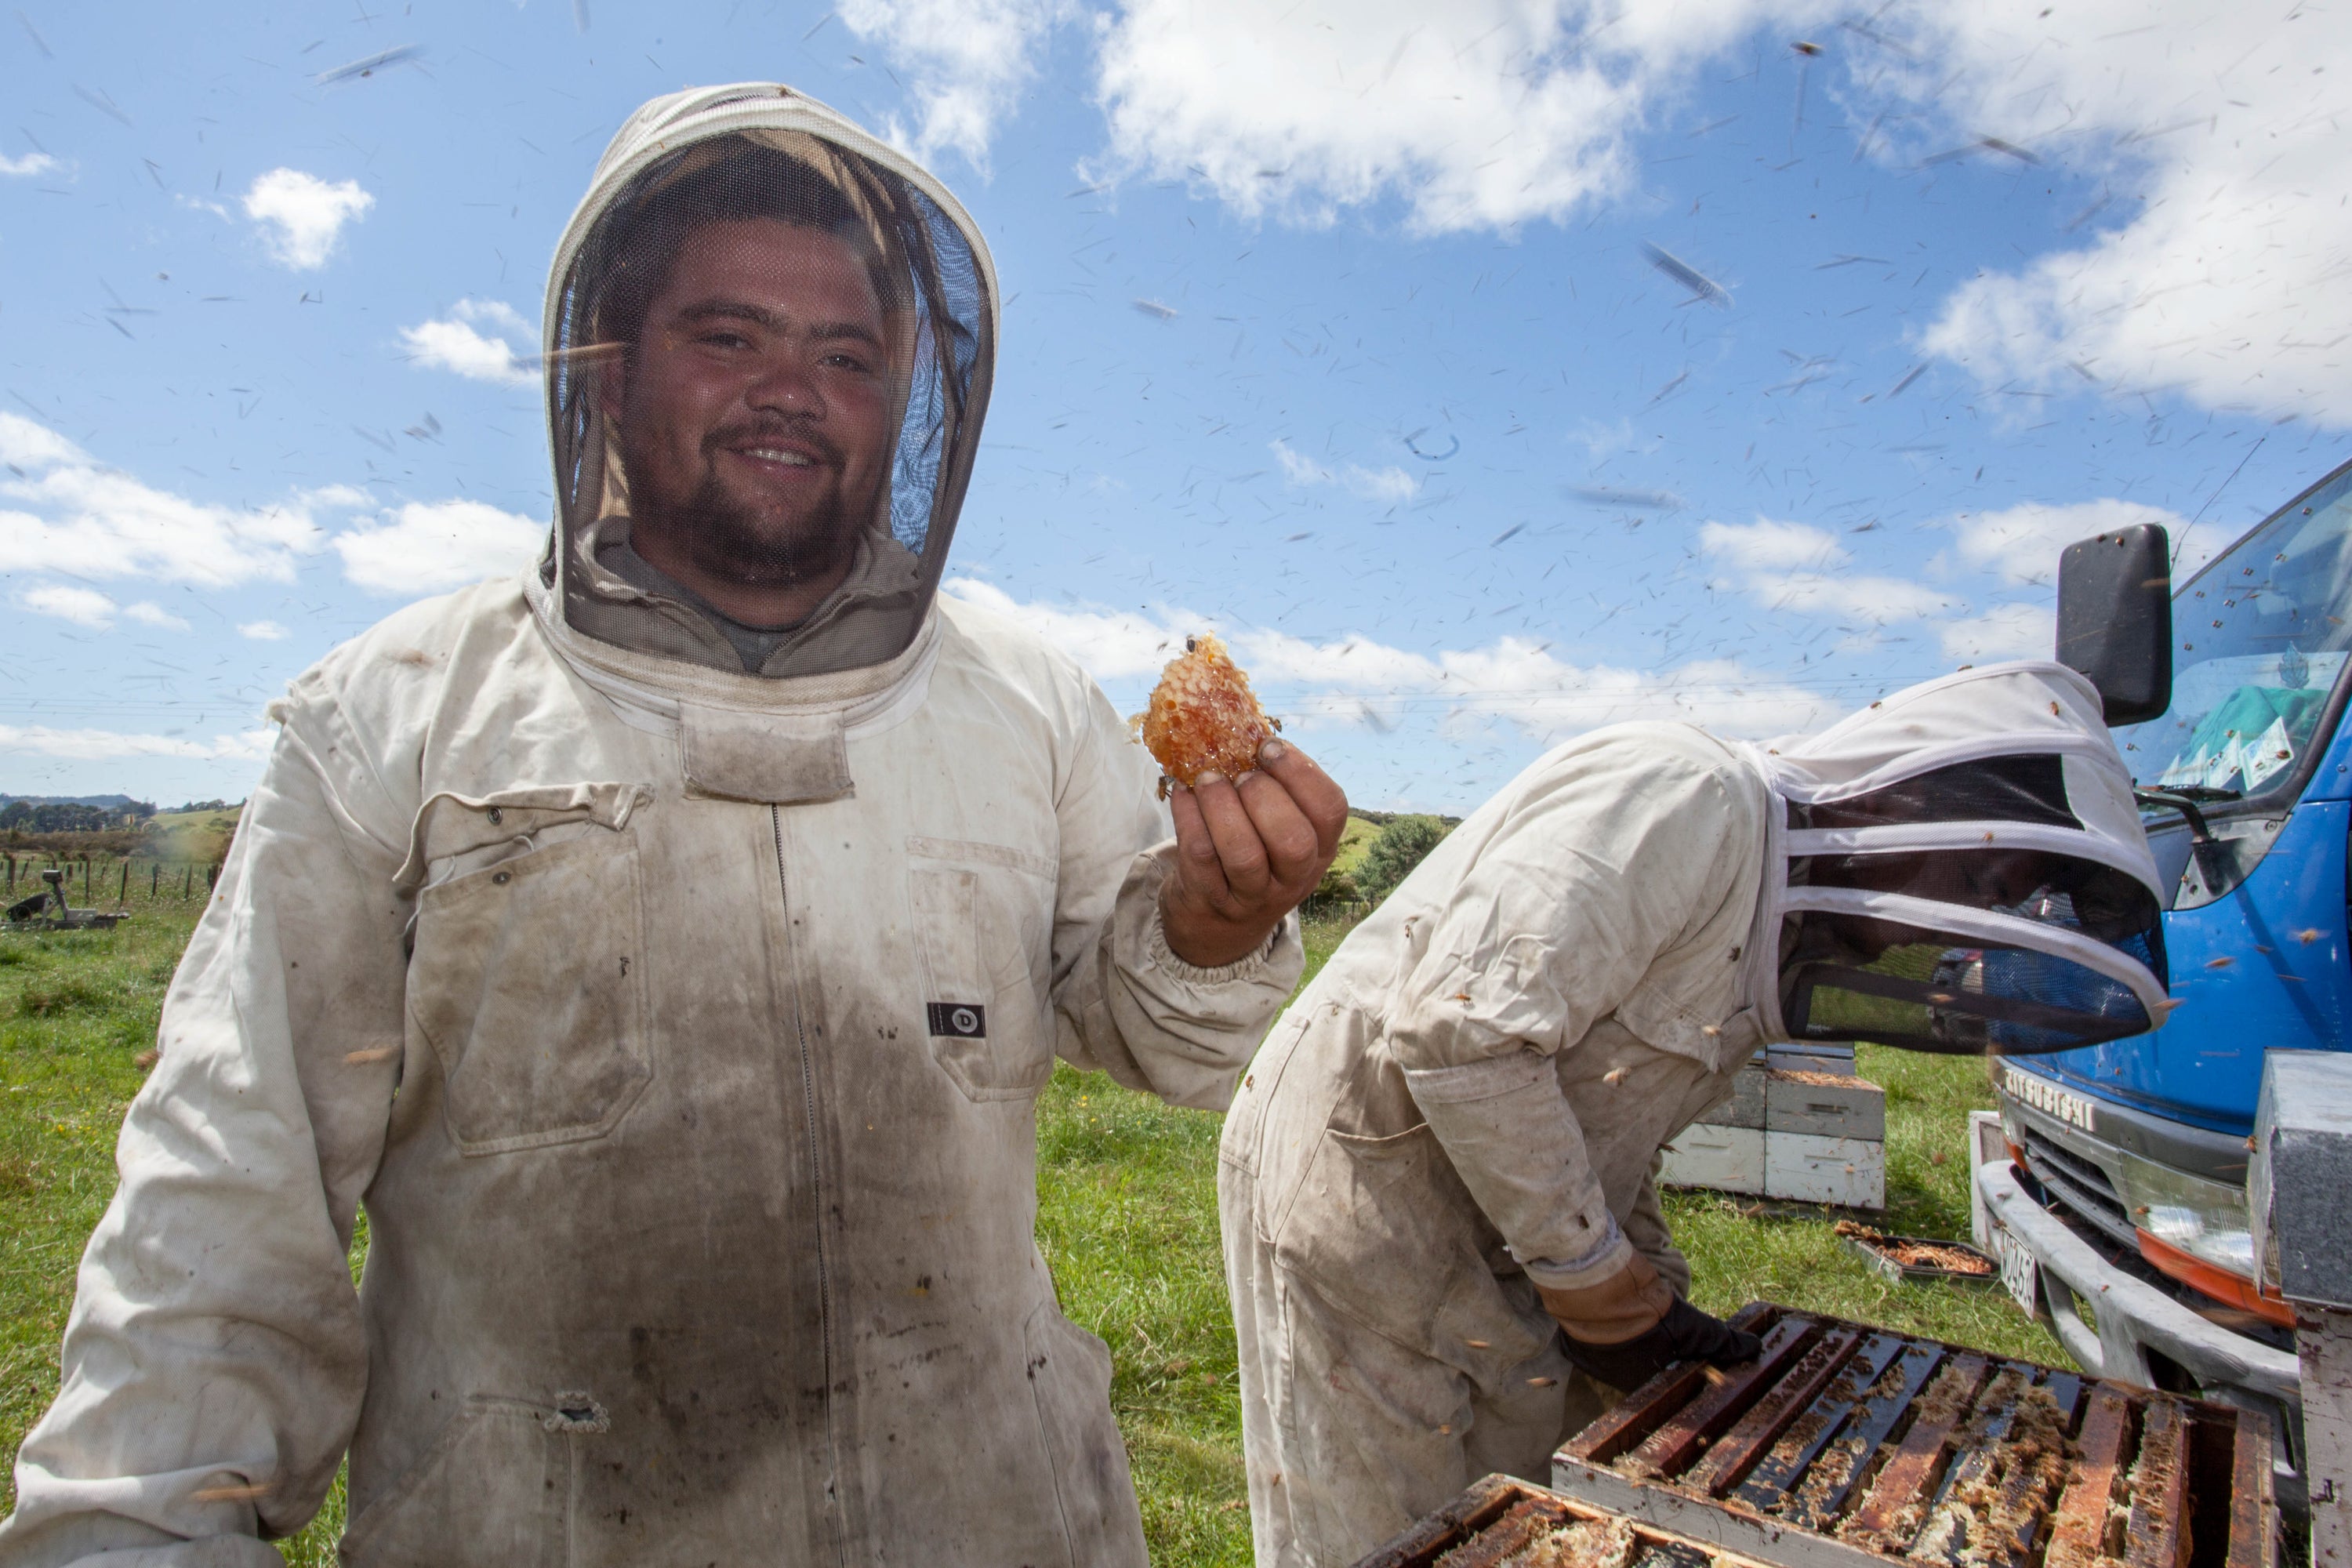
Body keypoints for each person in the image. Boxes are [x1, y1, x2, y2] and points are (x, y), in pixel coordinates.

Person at [0, 84, 1347, 1568]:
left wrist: (1211, 925)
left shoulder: (1024, 700)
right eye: (729, 335)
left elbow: (1159, 1035)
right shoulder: (395, 711)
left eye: (846, 352)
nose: (793, 387)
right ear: (608, 365)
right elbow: (224, 1201)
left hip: (1000, 1514)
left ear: (906, 397)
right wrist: (132, 1533)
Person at [1218, 660, 2169, 1567]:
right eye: (1978, 881)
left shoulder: (1763, 923)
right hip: (1358, 1190)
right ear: (1905, 800)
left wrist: (1650, 1291)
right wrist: (1604, 1289)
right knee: (1377, 1527)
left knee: (1501, 1504)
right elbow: (1461, 1035)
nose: (1954, 923)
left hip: (1489, 1219)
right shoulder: (1687, 795)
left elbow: (1615, 1116)